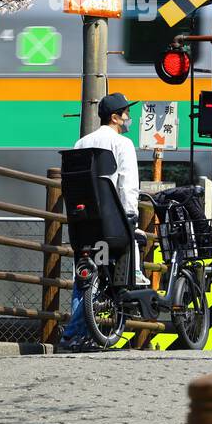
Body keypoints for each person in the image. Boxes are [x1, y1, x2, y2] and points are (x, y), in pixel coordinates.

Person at [59, 93, 144, 352]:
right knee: (124, 260)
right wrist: (131, 215)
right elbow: (128, 183)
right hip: (112, 223)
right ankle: (73, 334)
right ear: (115, 117)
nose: (130, 118)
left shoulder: (81, 142)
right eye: (126, 113)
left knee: (84, 276)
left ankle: (79, 335)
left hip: (83, 220)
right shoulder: (122, 143)